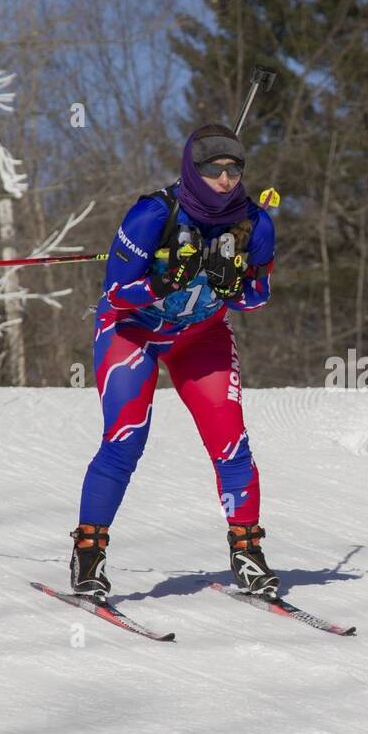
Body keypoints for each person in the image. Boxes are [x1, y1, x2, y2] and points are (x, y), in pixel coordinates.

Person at [69, 124, 279, 602]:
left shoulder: (256, 224)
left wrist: (233, 288)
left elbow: (259, 296)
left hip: (199, 337)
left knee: (231, 441)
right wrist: (162, 285)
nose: (225, 180)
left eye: (234, 170)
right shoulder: (152, 216)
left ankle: (247, 552)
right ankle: (88, 554)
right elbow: (116, 294)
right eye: (213, 170)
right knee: (125, 440)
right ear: (193, 169)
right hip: (133, 334)